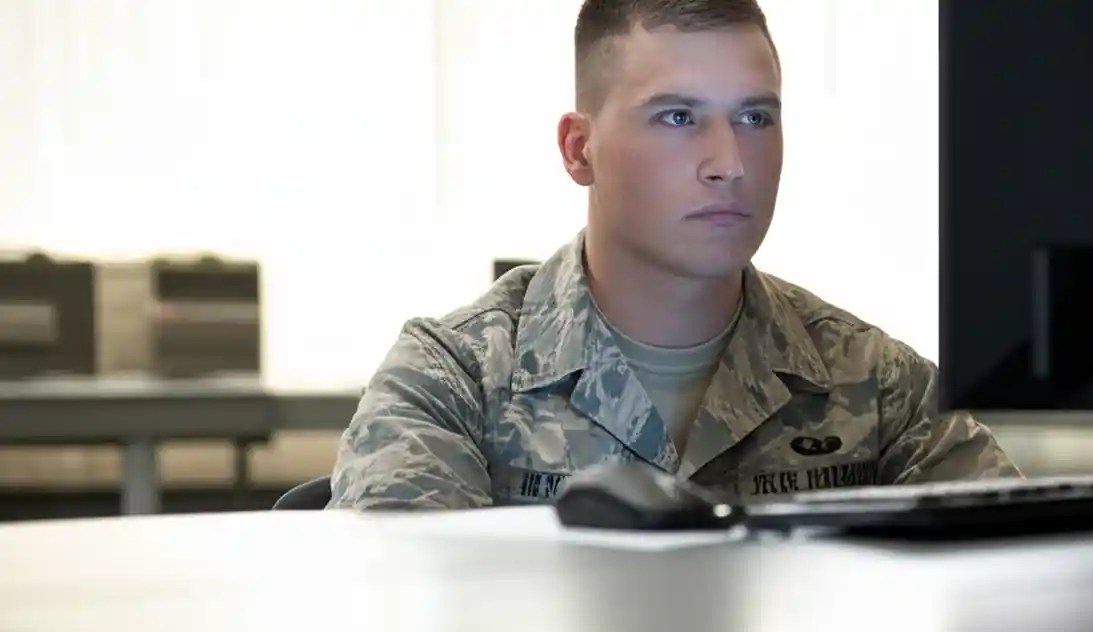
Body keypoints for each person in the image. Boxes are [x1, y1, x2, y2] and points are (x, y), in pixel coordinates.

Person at [326, 0, 1021, 511]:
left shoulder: (874, 388)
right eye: (678, 118)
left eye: (755, 118)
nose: (730, 163)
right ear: (579, 149)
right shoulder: (456, 382)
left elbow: (1024, 591)